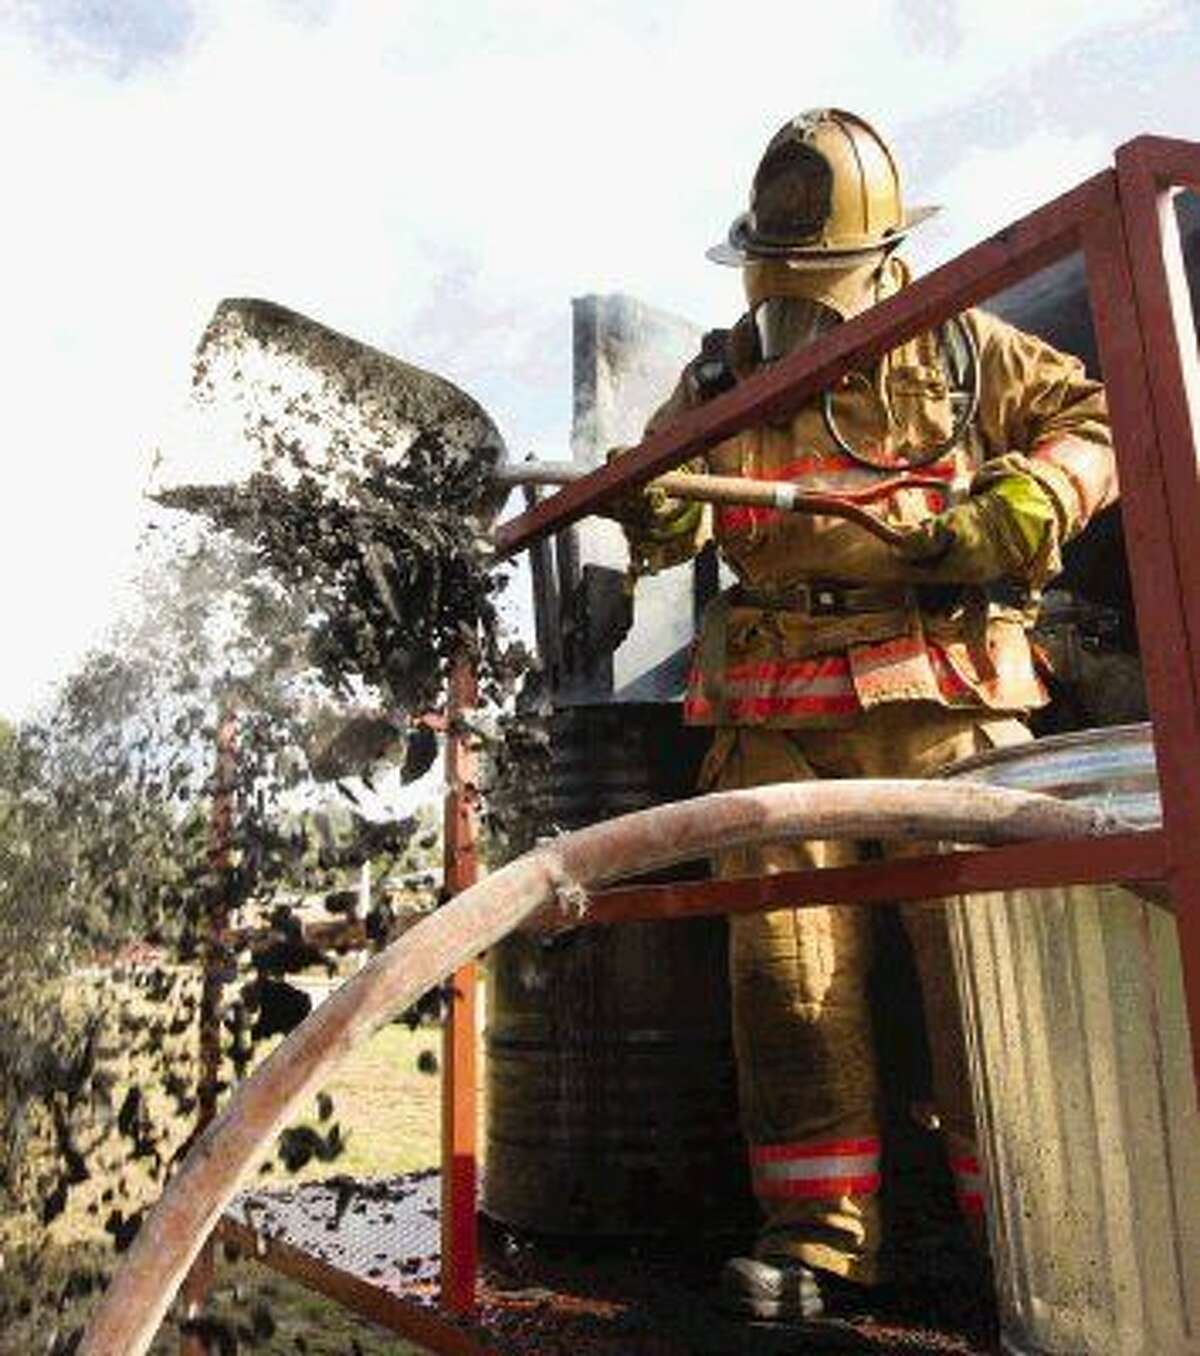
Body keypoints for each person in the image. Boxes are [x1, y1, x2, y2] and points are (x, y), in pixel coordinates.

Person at [612, 108, 1117, 1321]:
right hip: (776, 726)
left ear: (885, 256)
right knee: (790, 983)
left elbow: (1093, 423)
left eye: (818, 282)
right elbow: (654, 489)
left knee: (987, 976)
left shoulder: (963, 347)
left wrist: (1026, 501)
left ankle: (1036, 1238)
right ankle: (820, 1244)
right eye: (780, 284)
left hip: (945, 705)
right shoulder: (728, 373)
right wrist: (656, 509)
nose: (801, 309)